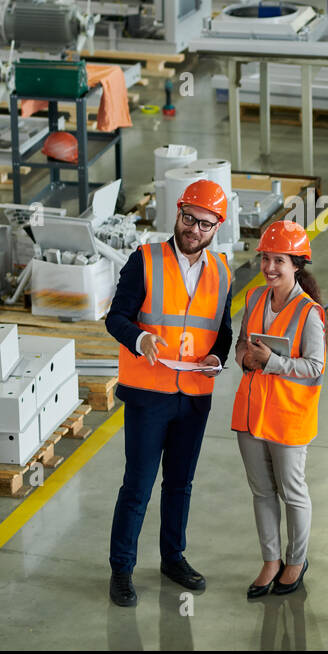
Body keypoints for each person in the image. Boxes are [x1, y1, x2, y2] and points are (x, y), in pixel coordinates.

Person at [104, 179, 233, 607]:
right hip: (149, 393)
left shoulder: (223, 272)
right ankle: (121, 569)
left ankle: (172, 558)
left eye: (205, 224)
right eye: (188, 218)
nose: (194, 229)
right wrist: (139, 340)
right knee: (138, 485)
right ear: (177, 214)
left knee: (180, 483)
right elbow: (116, 317)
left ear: (217, 228)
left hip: (194, 395)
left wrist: (217, 356)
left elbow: (223, 331)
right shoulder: (145, 260)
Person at [232, 220, 327, 598]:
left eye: (279, 262)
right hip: (251, 413)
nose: (269, 268)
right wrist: (245, 360)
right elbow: (241, 343)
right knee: (261, 491)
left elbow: (316, 367)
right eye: (266, 259)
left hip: (288, 418)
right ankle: (270, 560)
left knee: (292, 491)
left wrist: (271, 362)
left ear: (297, 265)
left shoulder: (309, 313)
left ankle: (295, 560)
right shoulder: (255, 298)